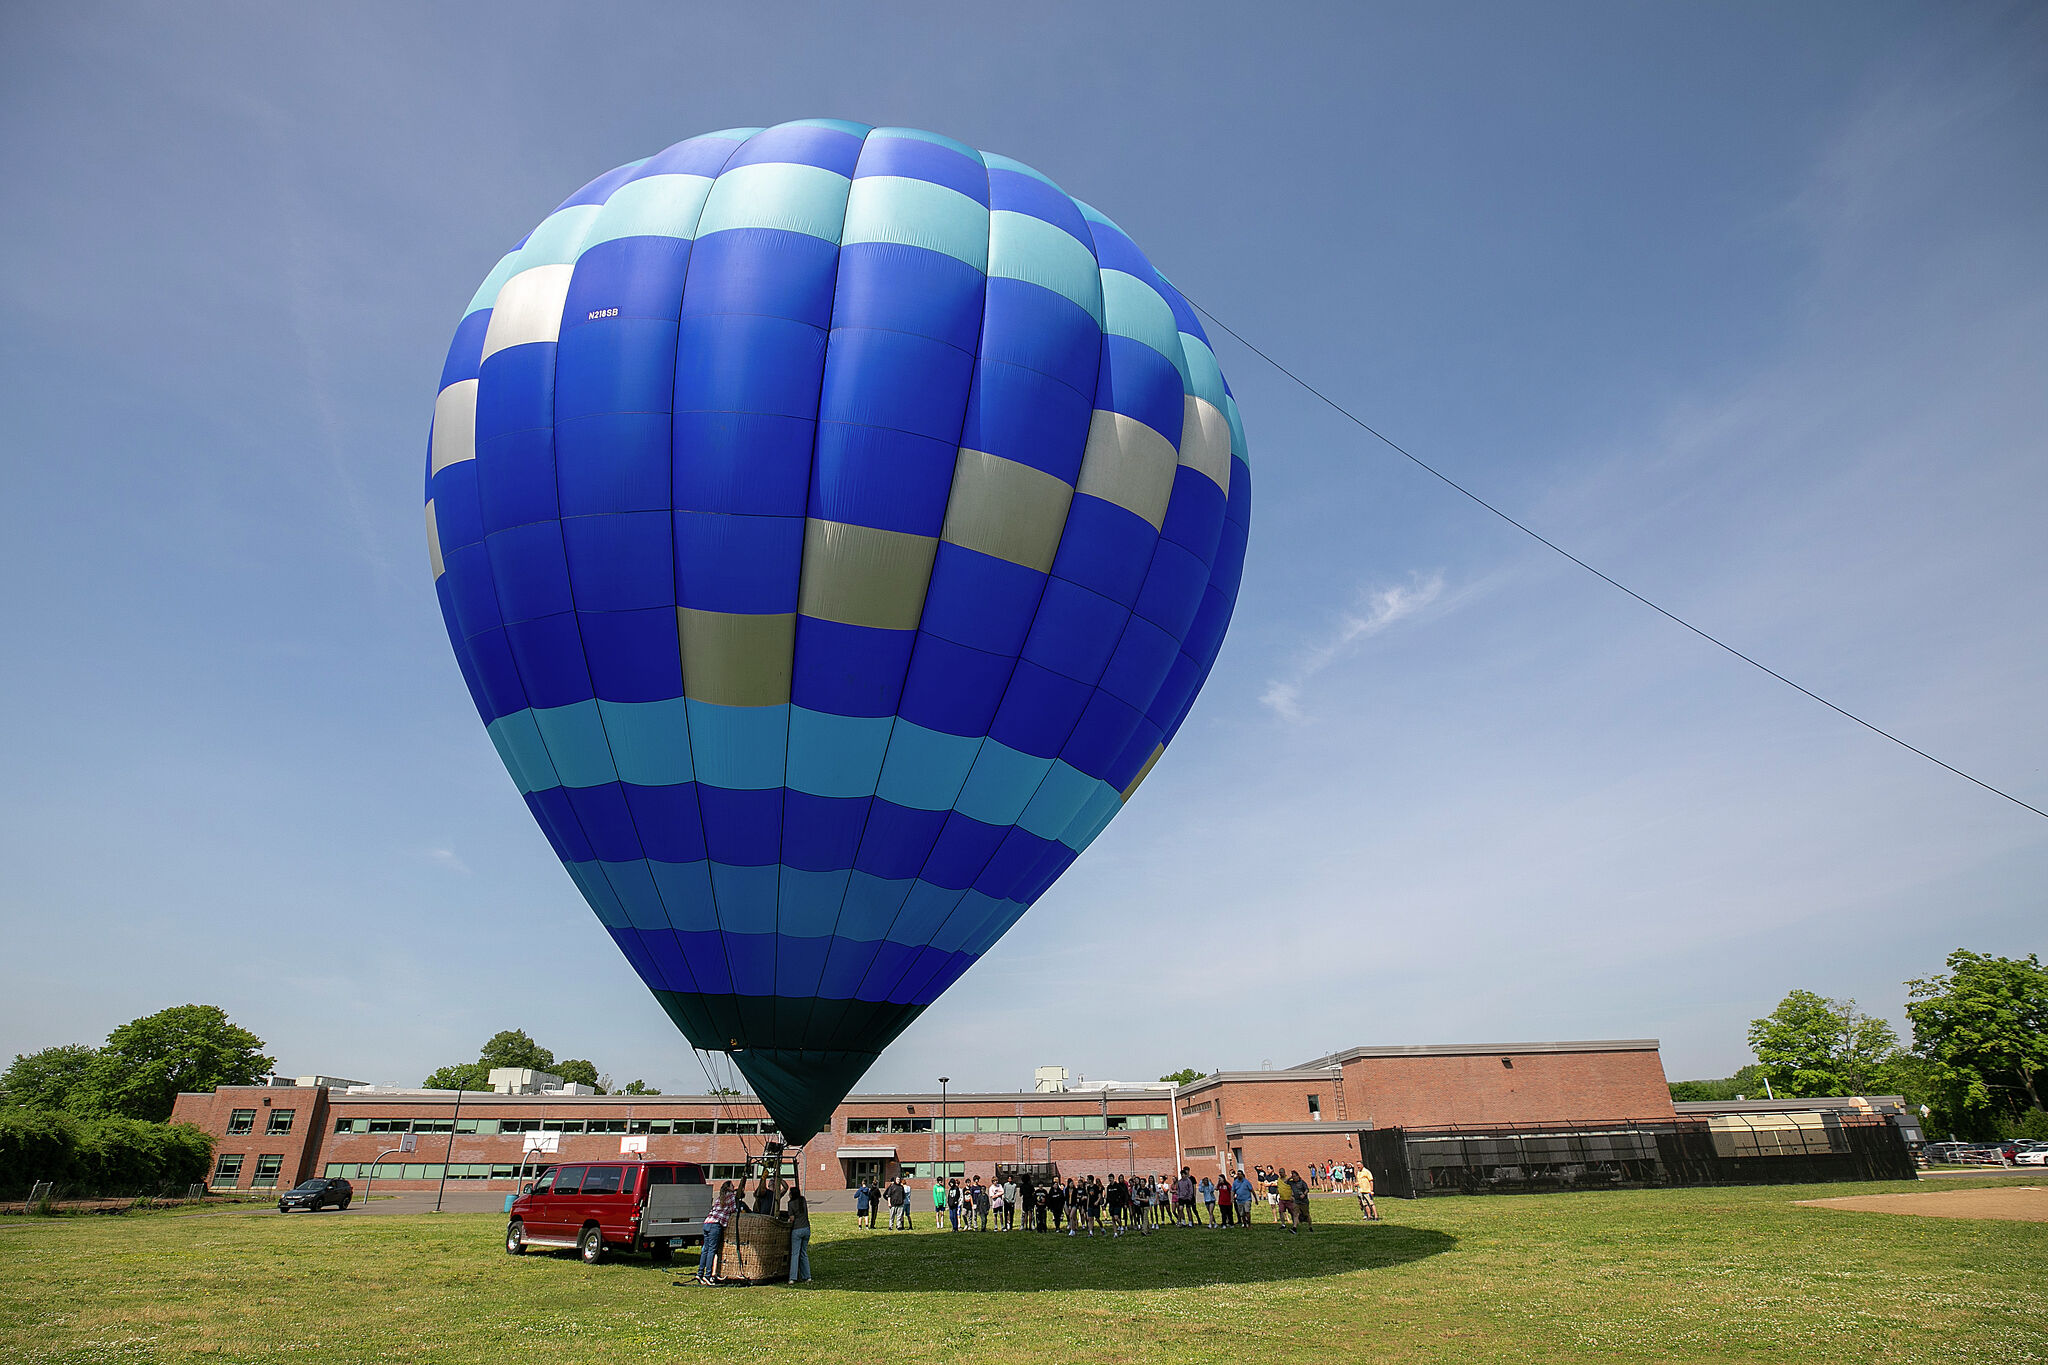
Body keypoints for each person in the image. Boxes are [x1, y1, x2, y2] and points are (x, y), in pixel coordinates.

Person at [698, 1180, 737, 1284]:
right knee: (712, 1250)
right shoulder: (731, 1196)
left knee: (705, 1249)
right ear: (728, 1187)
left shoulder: (720, 1197)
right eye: (732, 1185)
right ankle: (708, 1274)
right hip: (716, 1224)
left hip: (707, 1222)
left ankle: (700, 1273)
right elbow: (733, 1210)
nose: (734, 1187)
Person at [785, 1187, 812, 1283]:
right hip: (806, 1228)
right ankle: (807, 1276)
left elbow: (792, 1218)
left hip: (797, 1229)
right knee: (803, 1253)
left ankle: (793, 1277)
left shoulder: (790, 1204)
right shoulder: (802, 1200)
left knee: (795, 1254)